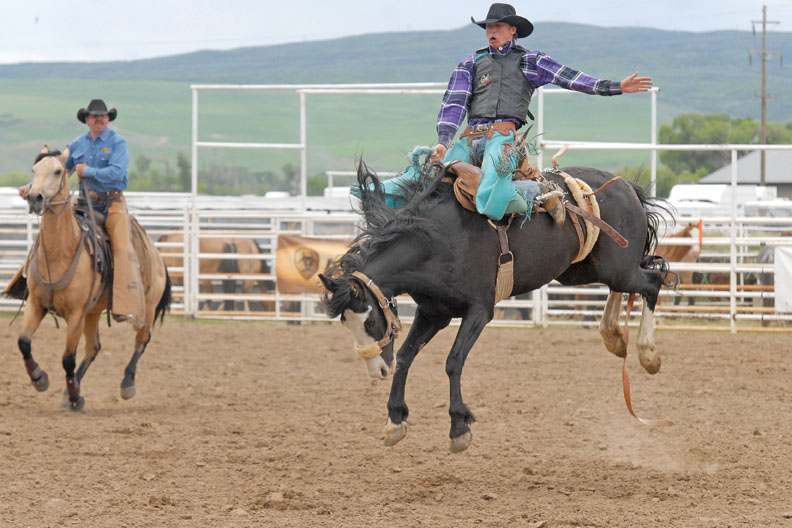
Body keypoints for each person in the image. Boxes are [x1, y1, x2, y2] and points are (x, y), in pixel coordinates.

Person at [428, 2, 653, 221]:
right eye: (488, 27)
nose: (492, 31)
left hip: (501, 139)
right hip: (469, 138)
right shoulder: (471, 63)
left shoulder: (530, 60)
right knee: (428, 179)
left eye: (498, 26)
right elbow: (453, 103)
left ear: (512, 30)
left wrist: (616, 87)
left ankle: (536, 191)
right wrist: (443, 142)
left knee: (492, 188)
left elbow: (571, 78)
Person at [17, 99, 145, 329]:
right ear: (87, 120)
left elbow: (118, 173)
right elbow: (56, 170)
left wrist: (89, 171)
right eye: (94, 116)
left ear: (108, 119)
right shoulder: (77, 145)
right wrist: (32, 187)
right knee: (50, 235)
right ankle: (26, 284)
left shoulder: (118, 143)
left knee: (122, 248)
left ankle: (124, 305)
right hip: (85, 203)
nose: (99, 119)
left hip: (112, 204)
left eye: (103, 116)